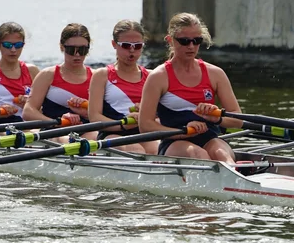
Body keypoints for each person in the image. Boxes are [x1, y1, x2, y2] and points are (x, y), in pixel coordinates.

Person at [138, 12, 242, 162]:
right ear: (170, 41)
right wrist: (183, 133)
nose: (191, 46)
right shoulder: (158, 77)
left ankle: (238, 180)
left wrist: (216, 117)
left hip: (209, 136)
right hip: (174, 141)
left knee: (221, 155)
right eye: (184, 41)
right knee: (199, 156)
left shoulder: (215, 74)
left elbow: (237, 120)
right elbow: (145, 125)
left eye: (197, 40)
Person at [87, 19, 158, 154]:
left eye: (137, 46)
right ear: (114, 44)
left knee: (157, 150)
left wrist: (145, 114)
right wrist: (123, 125)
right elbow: (95, 117)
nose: (132, 51)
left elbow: (161, 116)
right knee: (135, 149)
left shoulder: (151, 76)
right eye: (126, 45)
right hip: (112, 134)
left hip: (143, 132)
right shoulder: (102, 75)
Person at [23, 22, 94, 141]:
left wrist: (86, 113)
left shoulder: (96, 77)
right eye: (71, 49)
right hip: (54, 131)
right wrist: (57, 122)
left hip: (87, 130)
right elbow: (28, 111)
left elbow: (105, 113)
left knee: (95, 138)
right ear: (62, 47)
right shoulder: (48, 75)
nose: (77, 55)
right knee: (66, 140)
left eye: (82, 50)